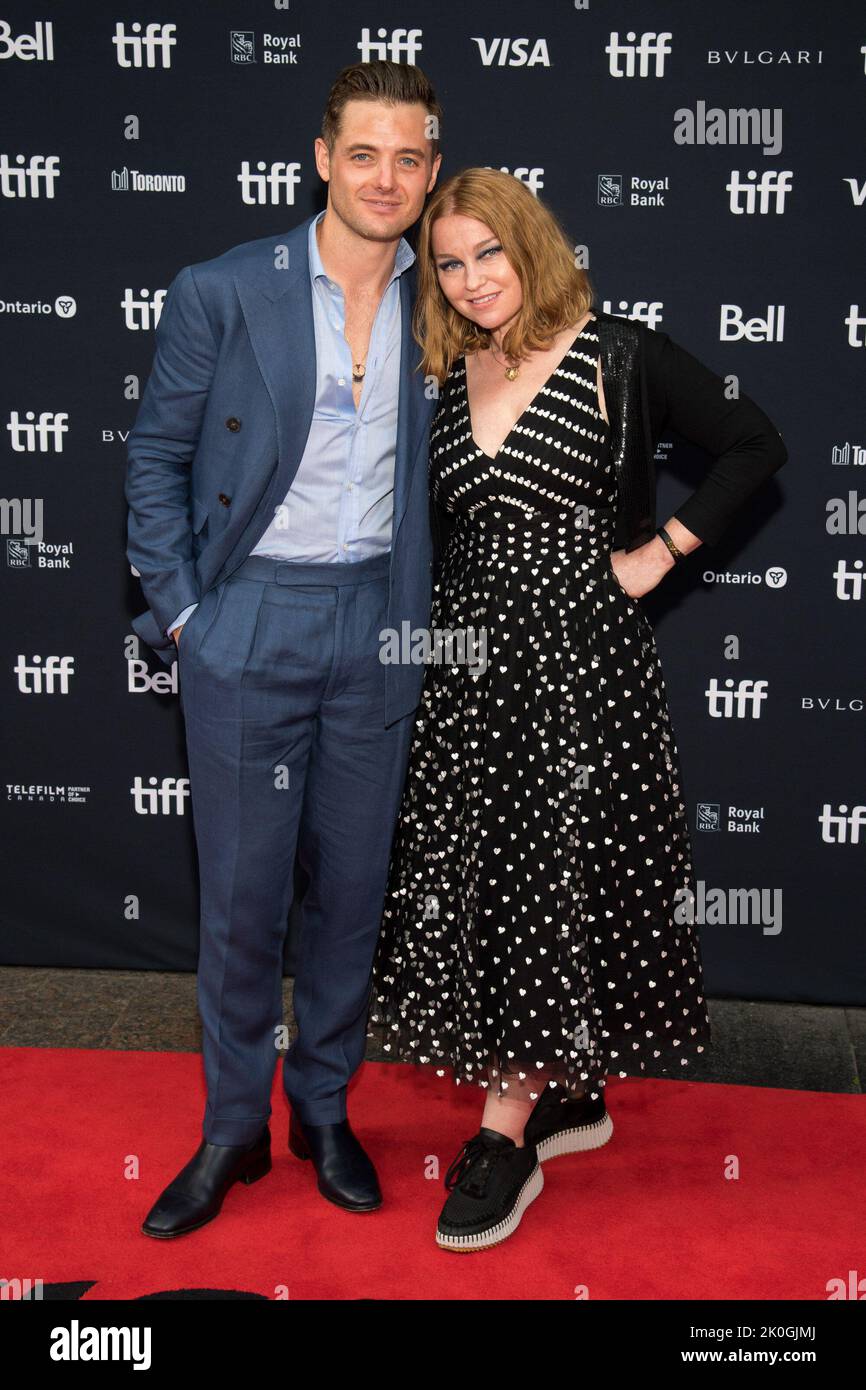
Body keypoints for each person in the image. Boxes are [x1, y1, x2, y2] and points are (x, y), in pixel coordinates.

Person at [368, 167, 788, 1251]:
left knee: (548, 871)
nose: (469, 281)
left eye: (486, 255)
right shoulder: (449, 372)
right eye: (449, 264)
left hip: (579, 667)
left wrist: (660, 552)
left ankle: (502, 1132)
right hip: (469, 672)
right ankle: (566, 1091)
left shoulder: (619, 353)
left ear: (530, 245)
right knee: (493, 875)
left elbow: (754, 445)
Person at [125, 60, 443, 1238]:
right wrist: (191, 616)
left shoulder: (450, 299)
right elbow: (155, 458)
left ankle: (321, 1109)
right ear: (321, 157)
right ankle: (229, 1128)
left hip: (379, 621)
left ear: (430, 168)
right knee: (242, 904)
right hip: (248, 614)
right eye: (364, 153)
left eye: (409, 156)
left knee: (352, 896)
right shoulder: (223, 290)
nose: (386, 177)